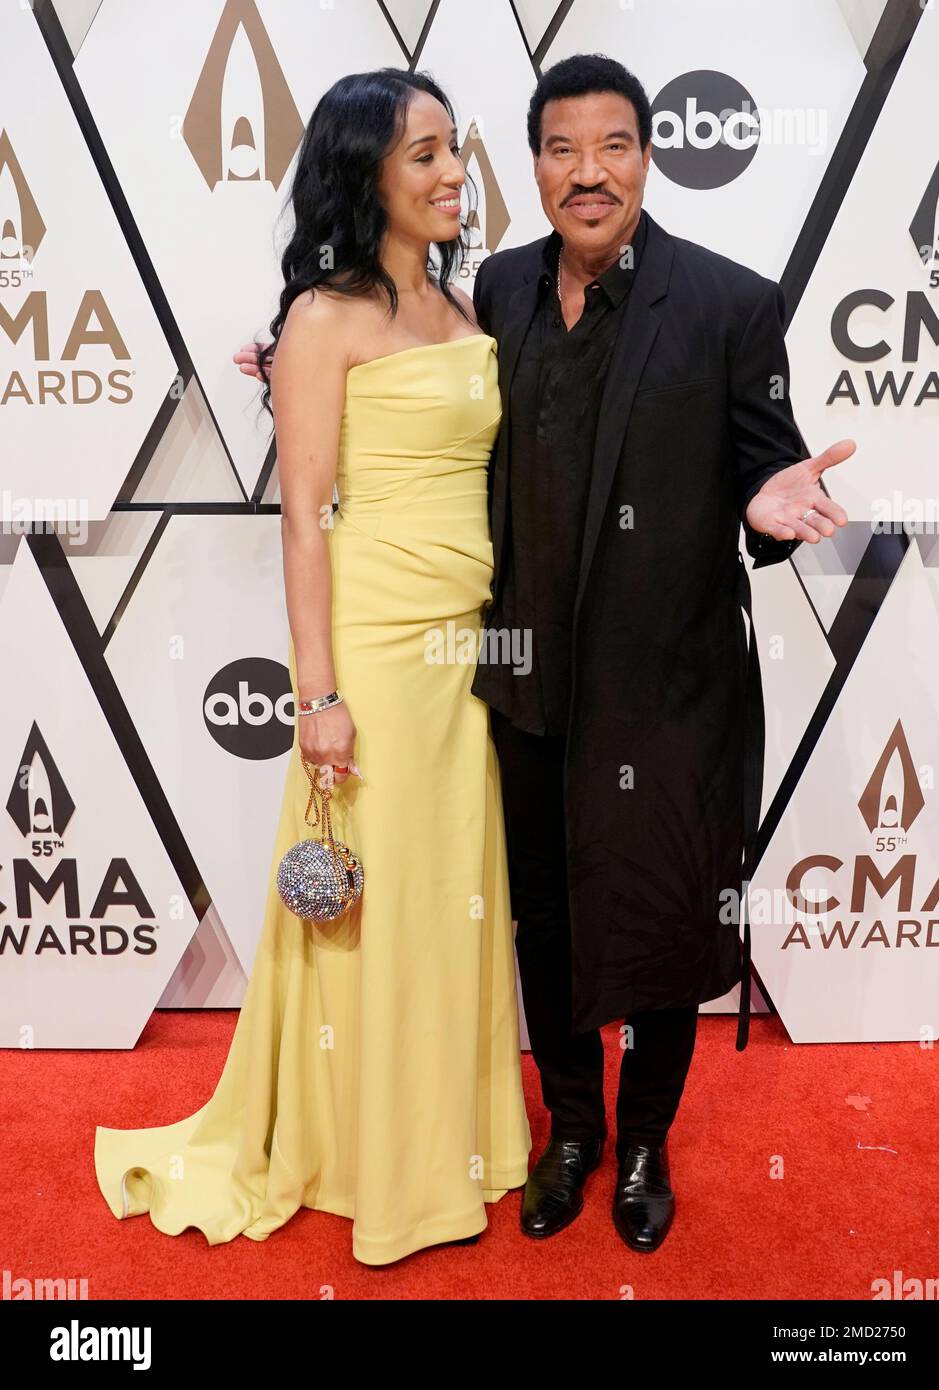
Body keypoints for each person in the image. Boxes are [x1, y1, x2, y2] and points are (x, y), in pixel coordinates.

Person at [235, 54, 855, 1256]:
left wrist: (760, 512)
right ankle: (568, 1133)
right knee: (544, 922)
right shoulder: (494, 292)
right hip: (515, 676)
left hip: (669, 684)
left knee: (667, 926)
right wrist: (286, 370)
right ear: (535, 164)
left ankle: (640, 1147)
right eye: (560, 149)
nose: (586, 172)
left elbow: (761, 471)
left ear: (647, 153)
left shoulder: (729, 304)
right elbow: (386, 393)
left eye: (611, 145)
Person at [94, 68, 530, 1267]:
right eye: (424, 156)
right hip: (379, 655)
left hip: (466, 651)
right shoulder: (322, 318)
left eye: (454, 150)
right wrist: (319, 697)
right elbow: (301, 521)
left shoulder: (467, 306)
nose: (452, 175)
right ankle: (365, 1157)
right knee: (375, 908)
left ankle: (455, 1139)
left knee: (449, 900)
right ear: (366, 176)